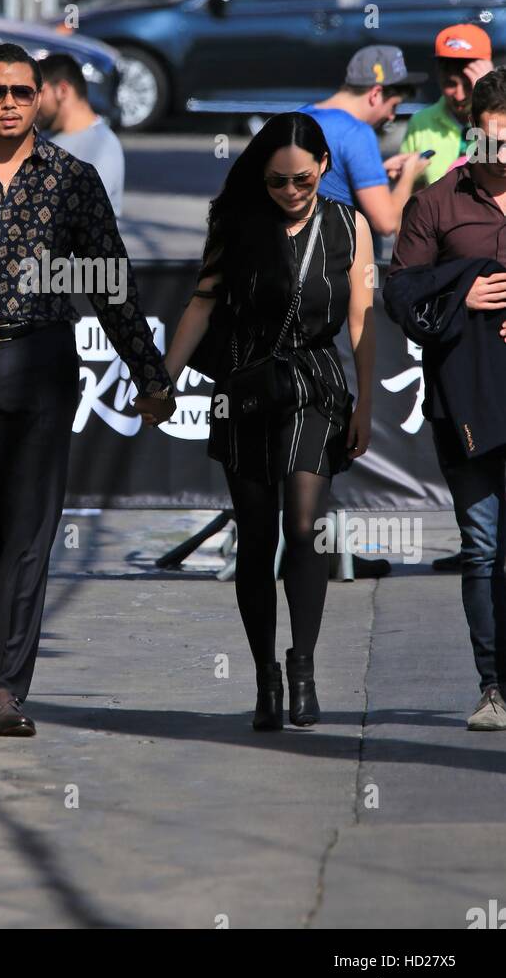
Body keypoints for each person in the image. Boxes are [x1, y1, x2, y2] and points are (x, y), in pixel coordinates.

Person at [0, 42, 174, 738]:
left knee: (29, 531)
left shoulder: (71, 178)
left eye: (22, 92)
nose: (10, 105)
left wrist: (148, 376)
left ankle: (4, 687)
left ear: (38, 97)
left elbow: (111, 285)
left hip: (44, 358)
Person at [155, 113, 375, 731]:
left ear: (324, 168)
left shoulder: (348, 225)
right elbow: (202, 304)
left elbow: (361, 317)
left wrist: (366, 404)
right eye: (277, 181)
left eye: (302, 179)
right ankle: (264, 680)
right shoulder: (237, 224)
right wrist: (164, 379)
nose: (290, 192)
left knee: (303, 526)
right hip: (245, 386)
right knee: (256, 536)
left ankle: (302, 665)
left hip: (314, 386)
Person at [384, 67, 506, 730]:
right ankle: (494, 687)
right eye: (496, 140)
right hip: (466, 397)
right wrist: (464, 292)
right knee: (483, 546)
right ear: (473, 136)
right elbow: (401, 292)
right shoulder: (436, 203)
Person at [300, 45, 428, 238]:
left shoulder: (296, 117)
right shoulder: (357, 133)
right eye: (393, 106)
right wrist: (409, 174)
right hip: (336, 259)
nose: (392, 116)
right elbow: (387, 223)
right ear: (375, 94)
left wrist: (375, 173)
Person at [400, 24, 495, 187]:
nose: (459, 96)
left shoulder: (498, 119)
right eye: (450, 84)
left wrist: (490, 95)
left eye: (468, 85)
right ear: (438, 76)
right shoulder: (420, 123)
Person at [37, 53, 125, 215]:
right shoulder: (43, 139)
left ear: (62, 90)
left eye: (39, 92)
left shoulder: (102, 145)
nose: (33, 102)